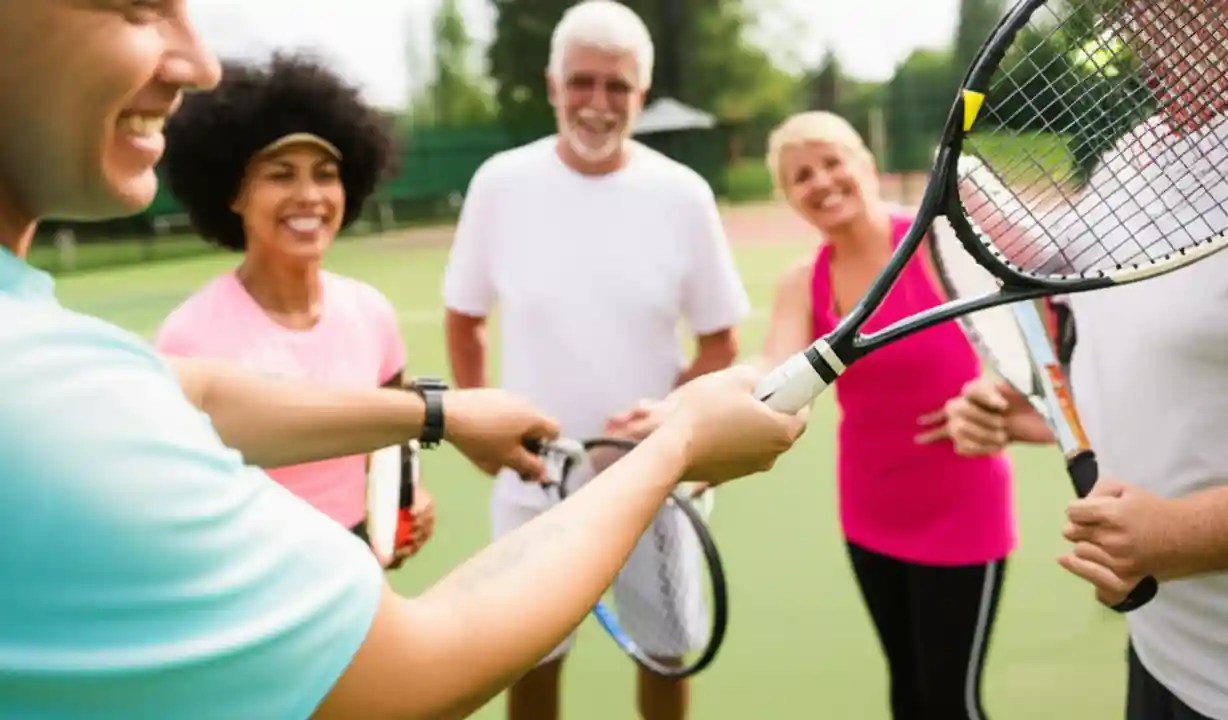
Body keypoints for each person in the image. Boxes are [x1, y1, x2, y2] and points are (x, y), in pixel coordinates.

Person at [0, 2, 807, 718]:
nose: (199, 62)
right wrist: (676, 447)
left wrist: (441, 413)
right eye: (133, 5)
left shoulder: (65, 363)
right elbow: (417, 668)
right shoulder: (46, 405)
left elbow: (194, 394)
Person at [935, 7, 1228, 718]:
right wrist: (1037, 414)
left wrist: (1181, 535)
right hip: (1166, 653)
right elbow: (1130, 336)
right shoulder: (1139, 151)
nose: (1130, 14)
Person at [618, 110, 1017, 720]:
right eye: (801, 175)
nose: (823, 181)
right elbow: (772, 370)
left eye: (834, 162)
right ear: (790, 199)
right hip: (870, 510)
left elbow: (1019, 336)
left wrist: (994, 391)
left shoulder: (941, 240)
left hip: (962, 504)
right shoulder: (803, 281)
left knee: (950, 702)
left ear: (867, 164)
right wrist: (687, 414)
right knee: (907, 692)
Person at [440, 2, 751, 718]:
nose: (598, 103)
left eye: (618, 87)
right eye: (582, 82)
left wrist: (667, 421)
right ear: (552, 85)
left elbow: (719, 342)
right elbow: (463, 319)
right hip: (533, 485)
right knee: (528, 663)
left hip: (654, 484)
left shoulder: (683, 194)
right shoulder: (500, 183)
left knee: (665, 660)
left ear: (641, 94)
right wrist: (481, 424)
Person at [152, 51, 432, 569]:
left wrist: (406, 496)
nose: (309, 196)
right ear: (233, 195)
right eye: (281, 175)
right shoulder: (187, 338)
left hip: (359, 579)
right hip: (250, 584)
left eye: (325, 174)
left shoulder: (372, 312)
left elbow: (392, 435)